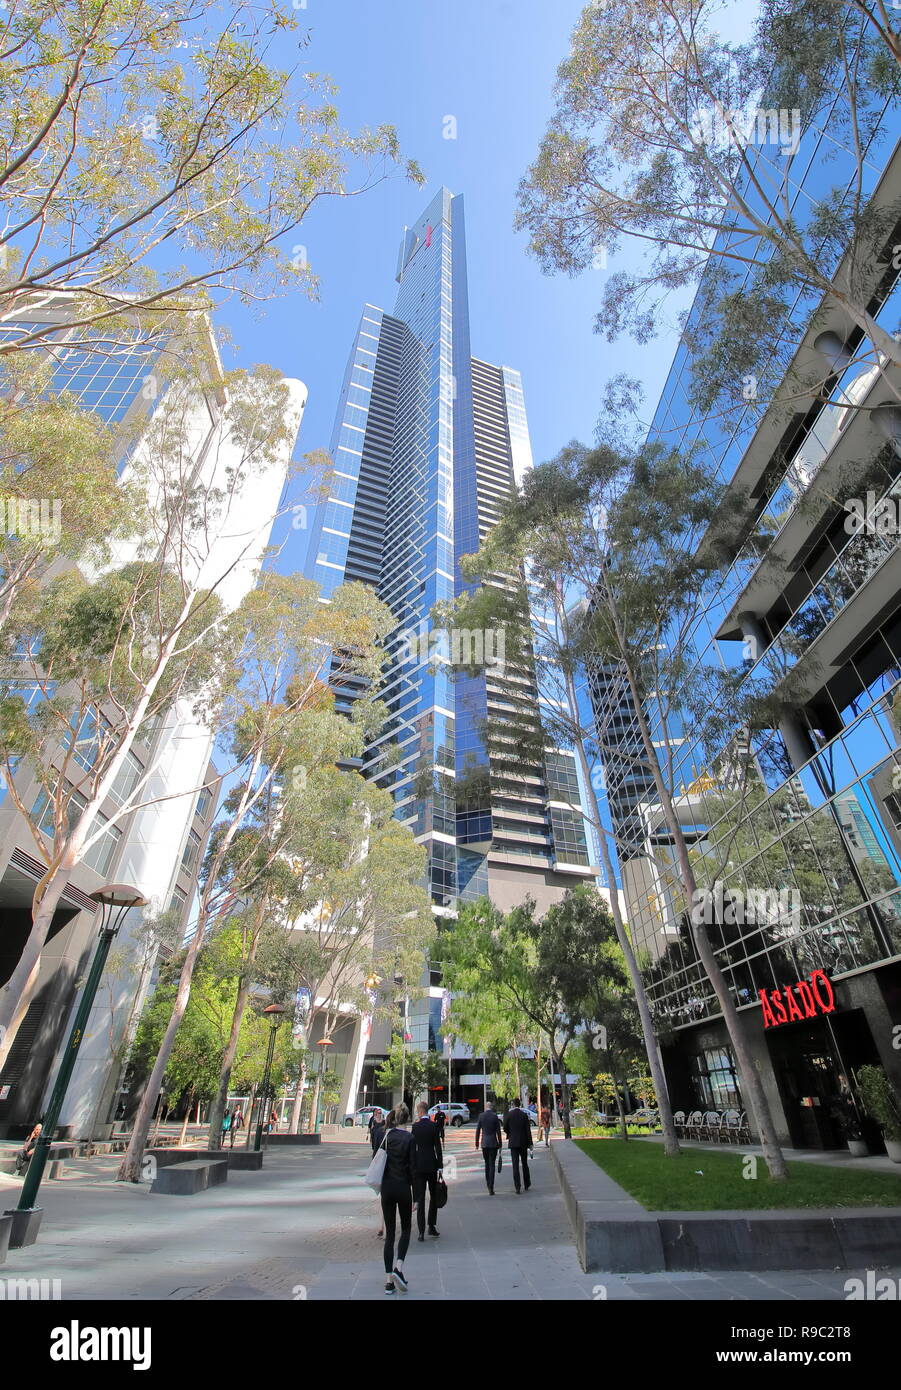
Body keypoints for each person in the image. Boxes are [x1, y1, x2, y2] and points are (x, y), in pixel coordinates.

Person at [379, 1104, 414, 1295]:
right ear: (407, 1119)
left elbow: (378, 1159)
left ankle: (388, 1282)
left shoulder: (385, 1136)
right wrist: (417, 1196)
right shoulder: (409, 1138)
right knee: (406, 1228)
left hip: (387, 1188)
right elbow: (413, 1169)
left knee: (390, 1234)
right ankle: (398, 1268)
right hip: (403, 1188)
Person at [410, 1101, 443, 1240]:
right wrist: (440, 1165)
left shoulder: (415, 1127)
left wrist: (412, 1166)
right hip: (431, 1165)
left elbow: (412, 1149)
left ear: (420, 1111)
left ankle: (421, 1231)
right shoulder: (433, 1126)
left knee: (420, 1198)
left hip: (419, 1166)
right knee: (433, 1196)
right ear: (427, 1111)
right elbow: (438, 1147)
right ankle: (431, 1226)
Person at [503, 1097, 533, 1193]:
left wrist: (510, 1133)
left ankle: (517, 1187)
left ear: (513, 1104)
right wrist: (530, 1143)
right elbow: (528, 1130)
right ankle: (527, 1183)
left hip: (513, 1143)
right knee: (524, 1163)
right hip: (523, 1142)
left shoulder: (509, 1115)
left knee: (515, 1165)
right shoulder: (524, 1115)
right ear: (520, 1105)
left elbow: (504, 1127)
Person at [475, 1100, 502, 1194]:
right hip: (493, 1143)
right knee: (492, 1165)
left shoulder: (481, 1116)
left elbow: (478, 1130)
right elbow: (498, 1131)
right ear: (491, 1107)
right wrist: (500, 1144)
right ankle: (491, 1186)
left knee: (487, 1164)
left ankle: (488, 1183)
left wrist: (477, 1143)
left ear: (485, 1107)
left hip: (484, 1144)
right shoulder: (495, 1116)